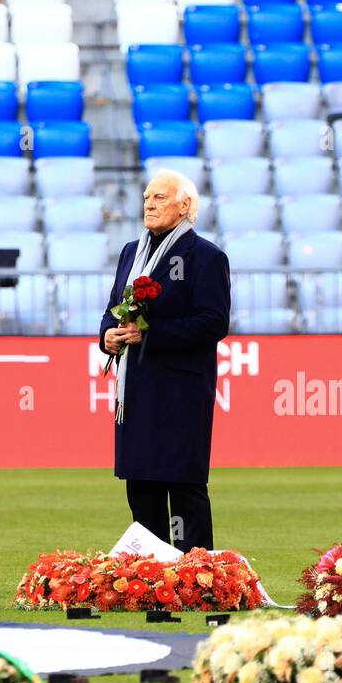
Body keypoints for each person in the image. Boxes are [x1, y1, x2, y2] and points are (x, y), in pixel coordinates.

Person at [99, 169, 231, 551]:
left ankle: (196, 572)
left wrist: (150, 334)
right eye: (146, 198)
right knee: (140, 482)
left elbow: (214, 322)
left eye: (159, 197)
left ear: (185, 205)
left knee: (184, 485)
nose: (149, 204)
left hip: (181, 389)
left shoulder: (206, 256)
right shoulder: (130, 252)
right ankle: (151, 570)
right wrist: (107, 335)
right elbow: (113, 309)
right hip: (136, 387)